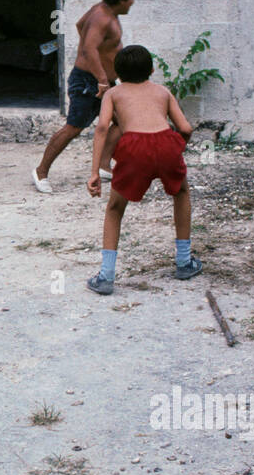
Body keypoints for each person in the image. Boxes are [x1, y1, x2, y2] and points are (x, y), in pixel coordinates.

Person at [86, 45, 203, 293]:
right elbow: (186, 128)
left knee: (115, 208)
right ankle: (184, 261)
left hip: (133, 147)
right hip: (165, 142)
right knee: (181, 193)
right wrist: (175, 149)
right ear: (151, 69)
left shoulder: (113, 94)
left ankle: (106, 276)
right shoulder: (162, 91)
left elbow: (102, 129)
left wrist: (95, 171)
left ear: (117, 73)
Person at [33, 0, 137, 193]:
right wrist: (101, 79)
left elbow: (80, 26)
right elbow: (89, 49)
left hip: (103, 81)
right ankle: (41, 171)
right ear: (120, 0)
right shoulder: (102, 17)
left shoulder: (103, 11)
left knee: (121, 121)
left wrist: (108, 61)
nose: (133, 1)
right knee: (74, 128)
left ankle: (103, 165)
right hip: (88, 81)